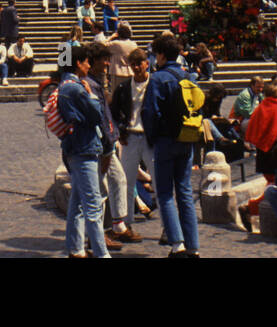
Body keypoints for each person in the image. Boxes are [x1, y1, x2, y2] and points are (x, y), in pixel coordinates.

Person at [141, 34, 200, 257]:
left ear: (162, 55)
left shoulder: (158, 78)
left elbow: (150, 112)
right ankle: (193, 247)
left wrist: (152, 137)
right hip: (186, 138)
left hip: (165, 139)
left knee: (165, 193)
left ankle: (177, 244)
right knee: (184, 191)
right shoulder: (189, 76)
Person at [56, 44, 111, 258]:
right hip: (84, 147)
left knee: (77, 203)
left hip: (75, 146)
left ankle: (76, 248)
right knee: (93, 204)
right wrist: (92, 96)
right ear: (78, 63)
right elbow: (97, 115)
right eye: (87, 62)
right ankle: (101, 253)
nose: (89, 65)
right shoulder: (77, 88)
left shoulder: (65, 84)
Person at [83, 41, 134, 249]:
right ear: (93, 61)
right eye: (104, 60)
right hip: (100, 146)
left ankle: (117, 225)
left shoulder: (96, 81)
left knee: (118, 179)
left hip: (107, 143)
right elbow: (100, 118)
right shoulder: (90, 84)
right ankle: (95, 236)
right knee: (99, 190)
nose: (107, 64)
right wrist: (107, 146)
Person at [112, 47, 152, 236]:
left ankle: (168, 227)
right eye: (133, 64)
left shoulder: (155, 84)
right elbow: (114, 112)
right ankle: (126, 223)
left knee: (160, 181)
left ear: (147, 64)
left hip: (151, 138)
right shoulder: (123, 87)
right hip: (130, 137)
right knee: (126, 181)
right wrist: (121, 130)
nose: (136, 68)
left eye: (139, 64)